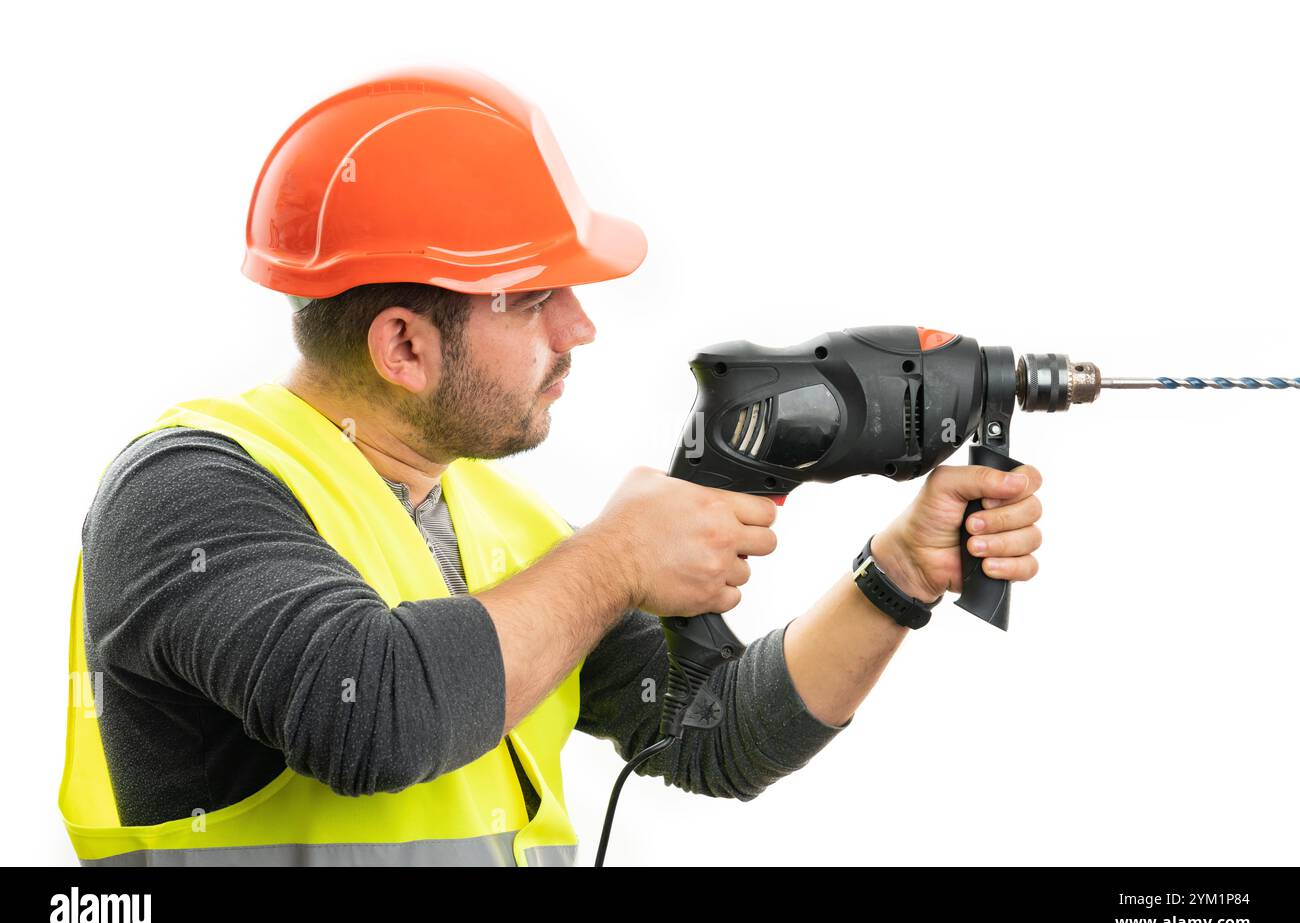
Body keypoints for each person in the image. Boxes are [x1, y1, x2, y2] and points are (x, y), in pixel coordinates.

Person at [60, 68, 1044, 867]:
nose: (581, 328)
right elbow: (374, 716)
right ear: (403, 347)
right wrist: (619, 557)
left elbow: (710, 733)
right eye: (534, 301)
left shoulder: (504, 527)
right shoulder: (186, 496)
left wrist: (898, 575)